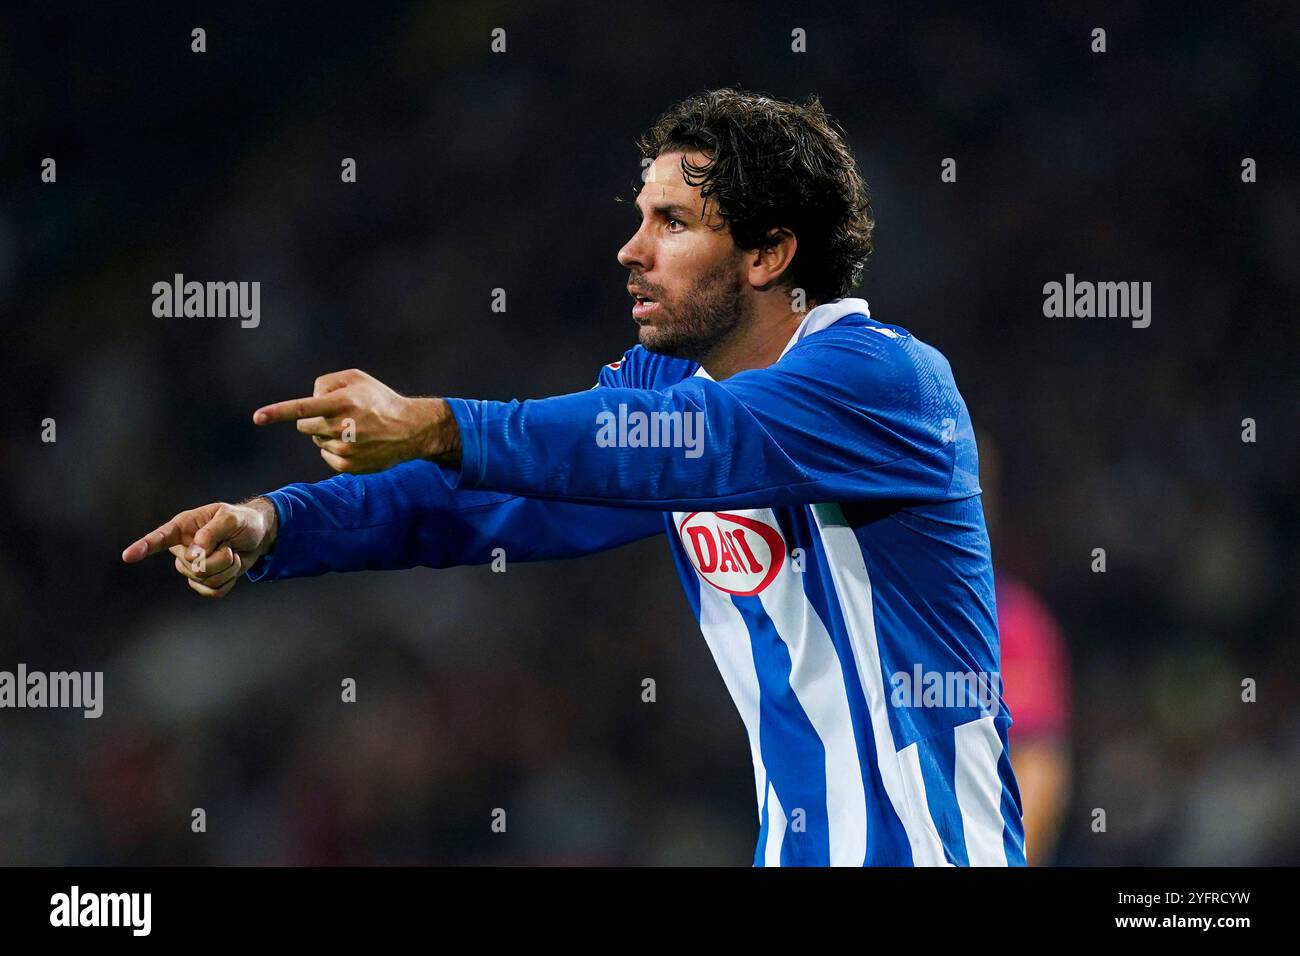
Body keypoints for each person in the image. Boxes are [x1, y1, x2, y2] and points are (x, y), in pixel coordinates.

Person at [123, 89, 1025, 867]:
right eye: (639, 218)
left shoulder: (885, 382)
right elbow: (489, 496)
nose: (631, 250)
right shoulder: (673, 389)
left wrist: (438, 418)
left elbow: (685, 442)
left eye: (672, 223)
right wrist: (275, 523)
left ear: (767, 253)